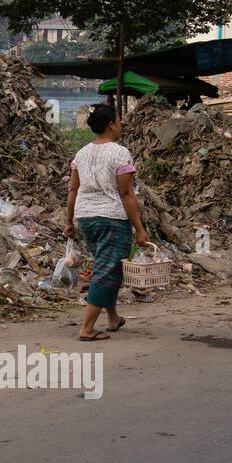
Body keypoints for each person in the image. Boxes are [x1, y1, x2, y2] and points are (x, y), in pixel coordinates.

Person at [64, 103, 151, 341]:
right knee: (106, 272)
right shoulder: (119, 153)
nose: (120, 126)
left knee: (106, 268)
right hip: (111, 218)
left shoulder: (81, 153)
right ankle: (87, 328)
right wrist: (140, 229)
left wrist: (69, 221)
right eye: (119, 121)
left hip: (86, 219)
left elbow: (73, 189)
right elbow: (126, 195)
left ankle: (112, 318)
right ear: (111, 124)